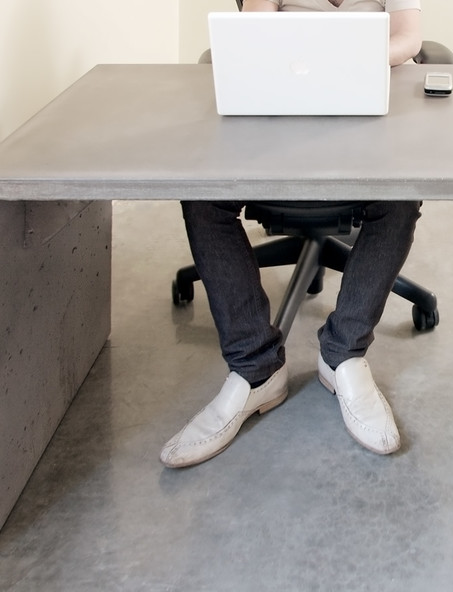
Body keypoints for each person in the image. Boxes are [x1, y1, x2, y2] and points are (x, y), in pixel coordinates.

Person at [160, 0, 424, 468]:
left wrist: (344, 65)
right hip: (277, 120)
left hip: (365, 117)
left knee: (400, 199)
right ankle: (255, 369)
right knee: (203, 197)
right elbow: (255, 36)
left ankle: (343, 356)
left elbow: (409, 37)